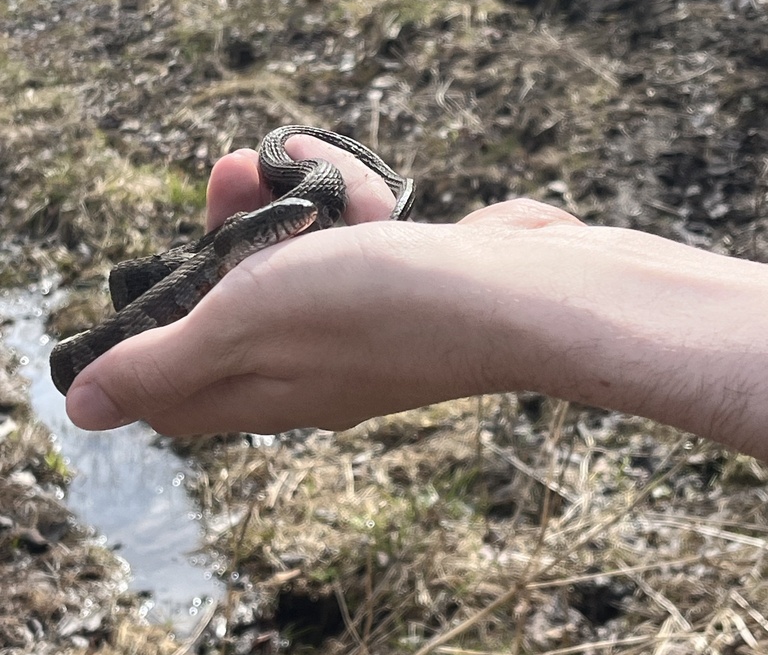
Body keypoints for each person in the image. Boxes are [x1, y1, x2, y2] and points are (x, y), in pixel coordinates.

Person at [65, 135, 768, 461]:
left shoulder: (295, 197)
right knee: (139, 281)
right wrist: (539, 277)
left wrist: (497, 296)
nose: (294, 224)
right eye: (279, 226)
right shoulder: (237, 240)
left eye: (294, 217)